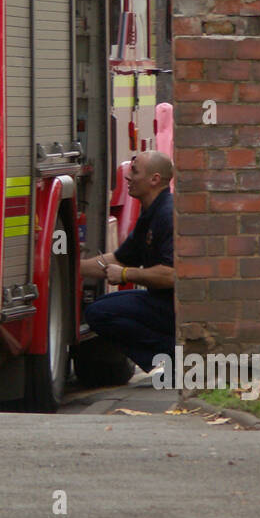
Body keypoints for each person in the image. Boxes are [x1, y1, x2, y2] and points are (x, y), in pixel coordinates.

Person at [82, 150, 175, 373]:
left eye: (134, 171)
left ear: (154, 179)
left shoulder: (167, 215)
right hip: (162, 302)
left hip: (174, 306)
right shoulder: (150, 213)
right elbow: (120, 258)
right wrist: (76, 268)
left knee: (100, 313)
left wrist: (125, 275)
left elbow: (172, 275)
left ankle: (172, 354)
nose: (128, 177)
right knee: (98, 308)